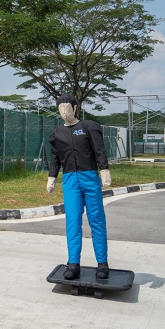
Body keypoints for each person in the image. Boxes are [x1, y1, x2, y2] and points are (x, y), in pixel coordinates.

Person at [47, 94, 112, 280]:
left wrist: (104, 169)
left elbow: (100, 150)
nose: (64, 110)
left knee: (97, 220)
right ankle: (73, 264)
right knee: (72, 222)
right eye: (60, 107)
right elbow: (54, 158)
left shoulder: (88, 127)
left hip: (89, 177)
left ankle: (102, 263)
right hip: (69, 181)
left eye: (67, 106)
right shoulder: (57, 133)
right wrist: (52, 177)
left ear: (76, 108)